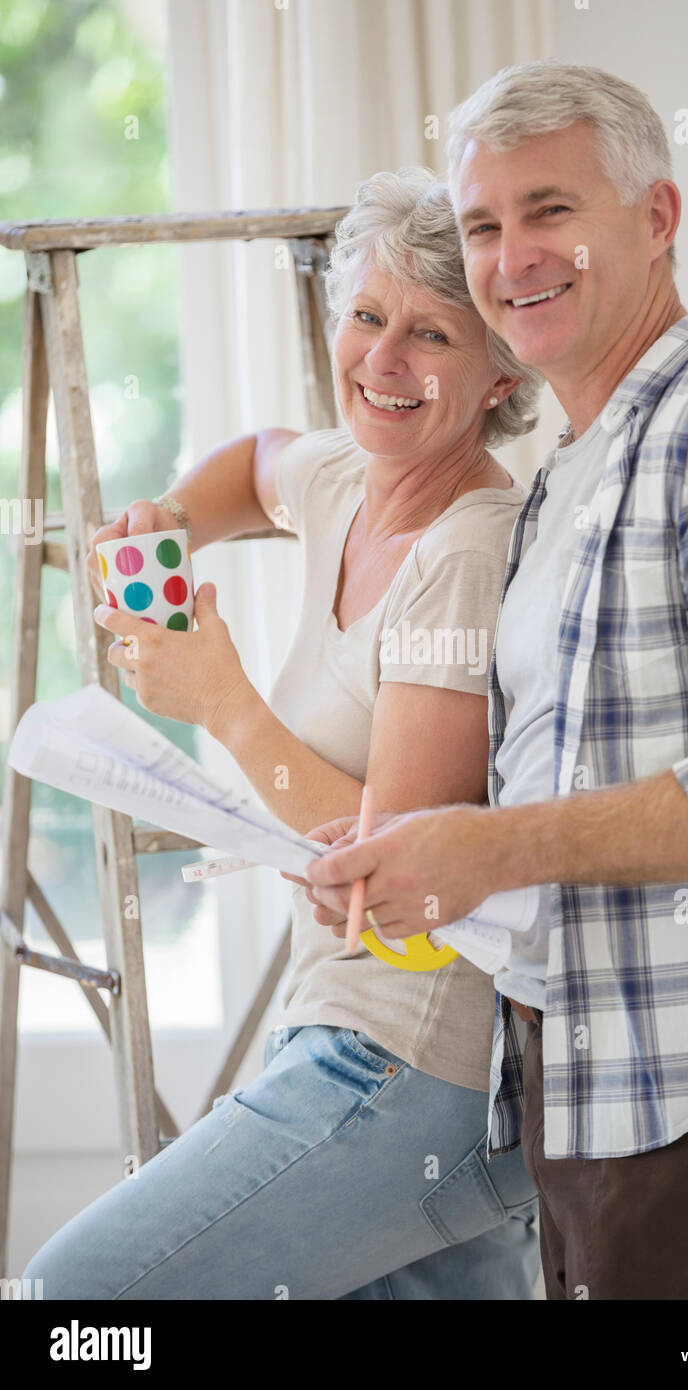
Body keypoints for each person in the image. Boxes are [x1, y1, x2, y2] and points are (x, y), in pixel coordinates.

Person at [300, 62, 688, 1301]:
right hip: (579, 1075)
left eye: (547, 210)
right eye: (483, 225)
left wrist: (492, 848)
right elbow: (570, 774)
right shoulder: (572, 470)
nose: (511, 257)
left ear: (654, 219)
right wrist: (422, 851)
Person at [19, 168, 543, 1300]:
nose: (382, 360)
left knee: (76, 1302)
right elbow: (259, 461)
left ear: (502, 367)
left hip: (408, 1062)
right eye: (366, 316)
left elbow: (385, 868)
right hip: (363, 1046)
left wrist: (220, 699)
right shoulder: (351, 479)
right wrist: (167, 519)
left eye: (430, 335)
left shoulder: (468, 552)